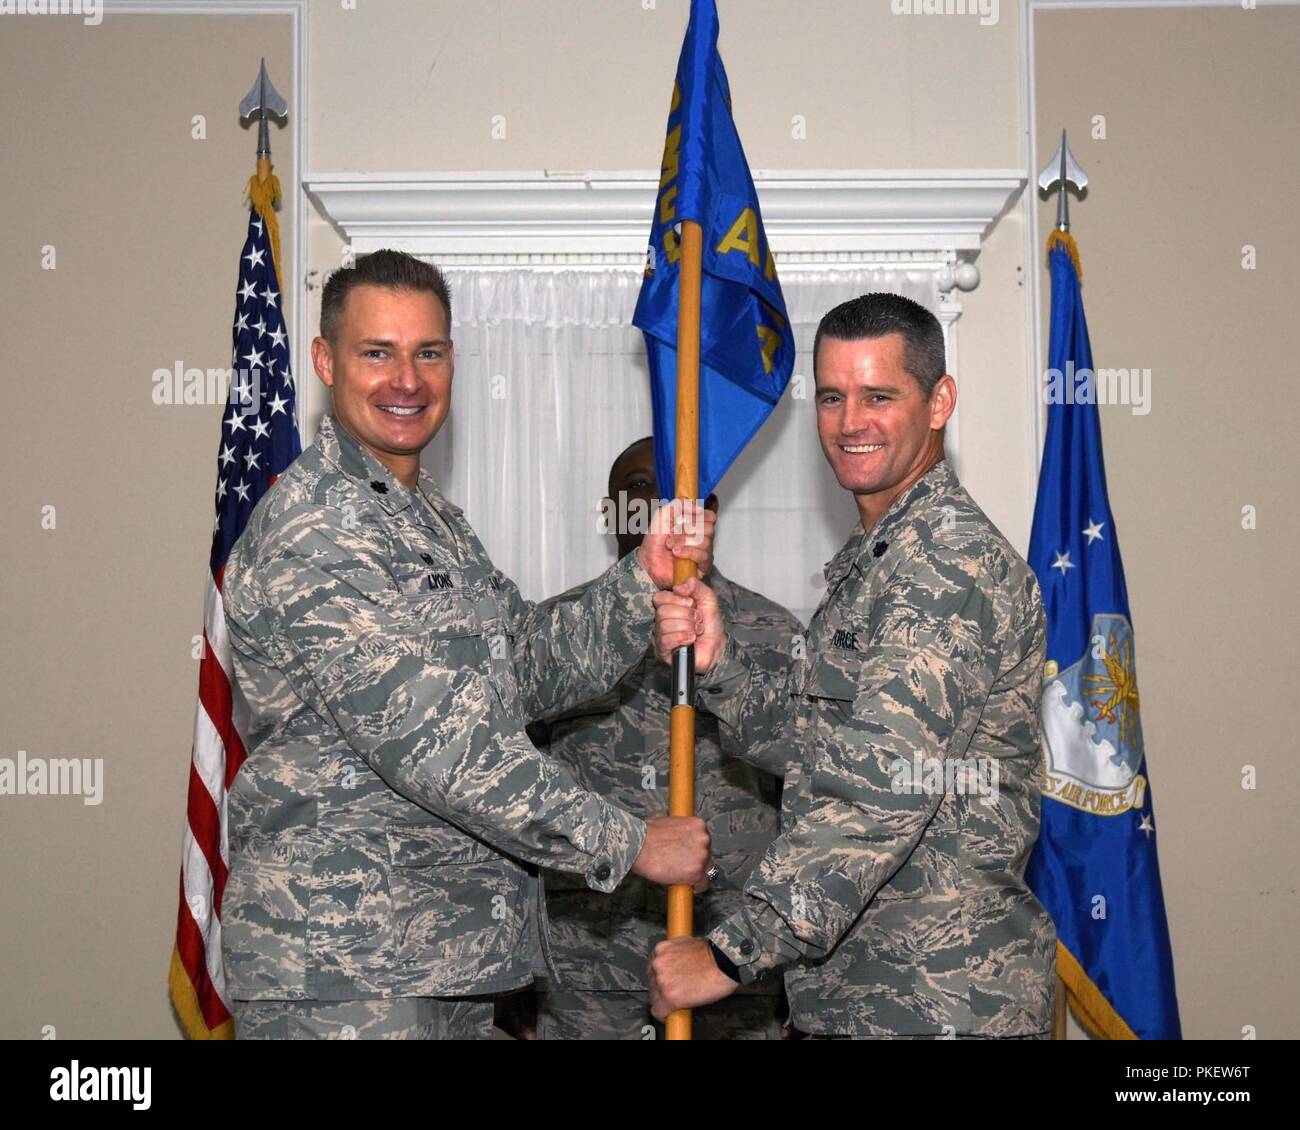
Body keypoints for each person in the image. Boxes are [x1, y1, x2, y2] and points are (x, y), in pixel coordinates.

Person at [221, 250, 713, 1040]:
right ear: (324, 361)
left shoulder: (431, 522)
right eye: (376, 352)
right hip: (345, 974)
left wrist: (638, 585)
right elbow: (435, 742)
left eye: (429, 352)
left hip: (445, 962)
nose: (406, 380)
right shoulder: (317, 531)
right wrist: (625, 841)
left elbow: (520, 667)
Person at [648, 293, 1056, 1039]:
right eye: (833, 397)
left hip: (938, 1007)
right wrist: (722, 663)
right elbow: (817, 749)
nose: (850, 422)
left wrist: (731, 955)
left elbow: (876, 789)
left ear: (940, 403)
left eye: (879, 396)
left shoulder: (945, 565)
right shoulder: (879, 564)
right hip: (862, 999)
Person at [525, 438, 802, 1040]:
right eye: (639, 489)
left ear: (710, 509)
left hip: (730, 961)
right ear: (611, 509)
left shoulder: (774, 633)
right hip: (587, 964)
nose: (656, 505)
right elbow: (511, 795)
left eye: (675, 491)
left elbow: (815, 799)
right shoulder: (558, 636)